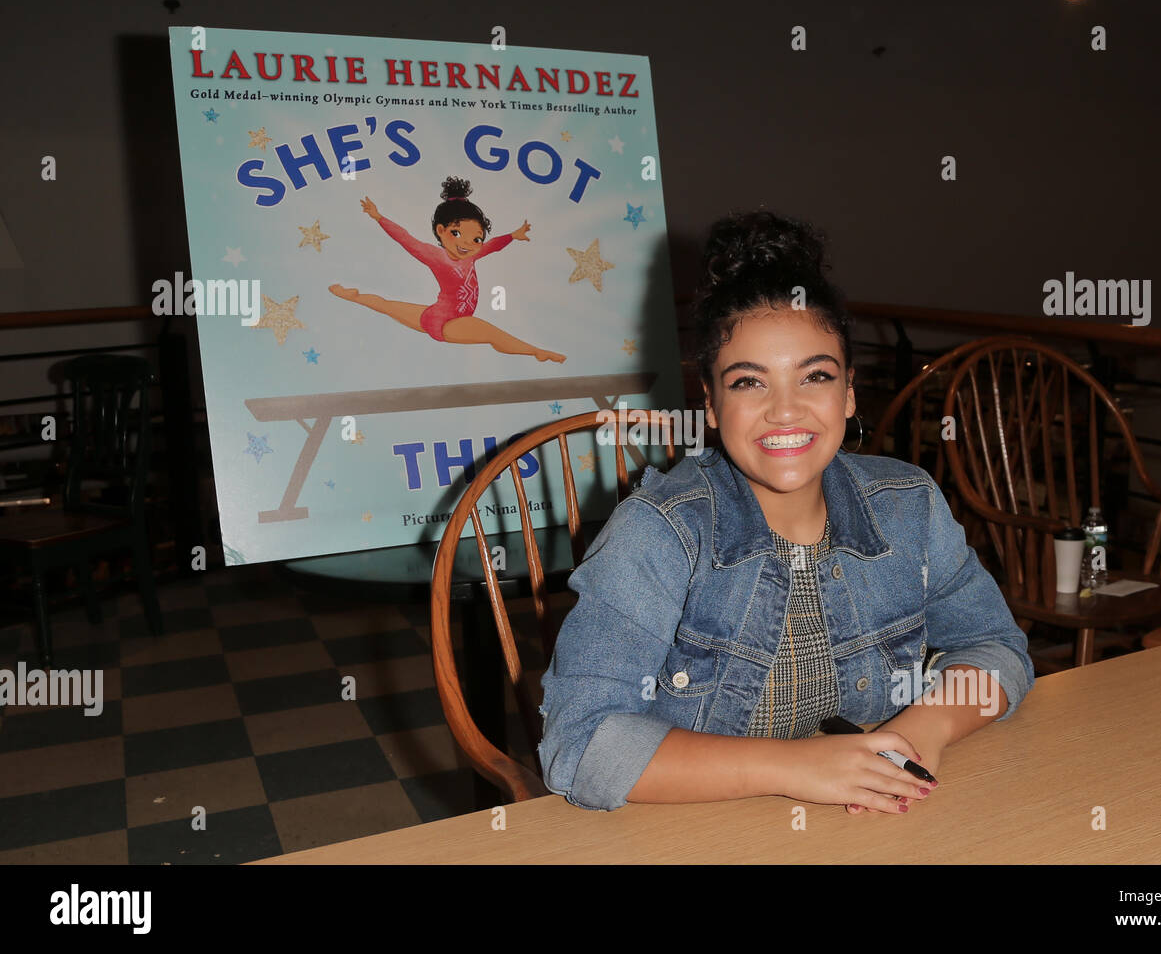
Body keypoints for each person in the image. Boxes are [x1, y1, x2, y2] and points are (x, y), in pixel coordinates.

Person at [538, 210, 1034, 812]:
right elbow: (580, 744)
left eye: (815, 377)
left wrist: (922, 733)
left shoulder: (908, 506)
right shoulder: (658, 532)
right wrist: (797, 766)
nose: (786, 410)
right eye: (749, 382)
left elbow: (996, 647)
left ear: (849, 392)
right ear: (712, 406)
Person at [329, 176, 566, 362]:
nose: (467, 244)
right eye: (456, 234)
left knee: (386, 306)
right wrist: (379, 217)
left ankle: (354, 296)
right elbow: (406, 240)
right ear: (441, 231)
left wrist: (513, 236)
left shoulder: (472, 255)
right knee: (491, 334)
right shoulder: (437, 257)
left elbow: (492, 245)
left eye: (476, 239)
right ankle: (536, 351)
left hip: (436, 313)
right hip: (447, 323)